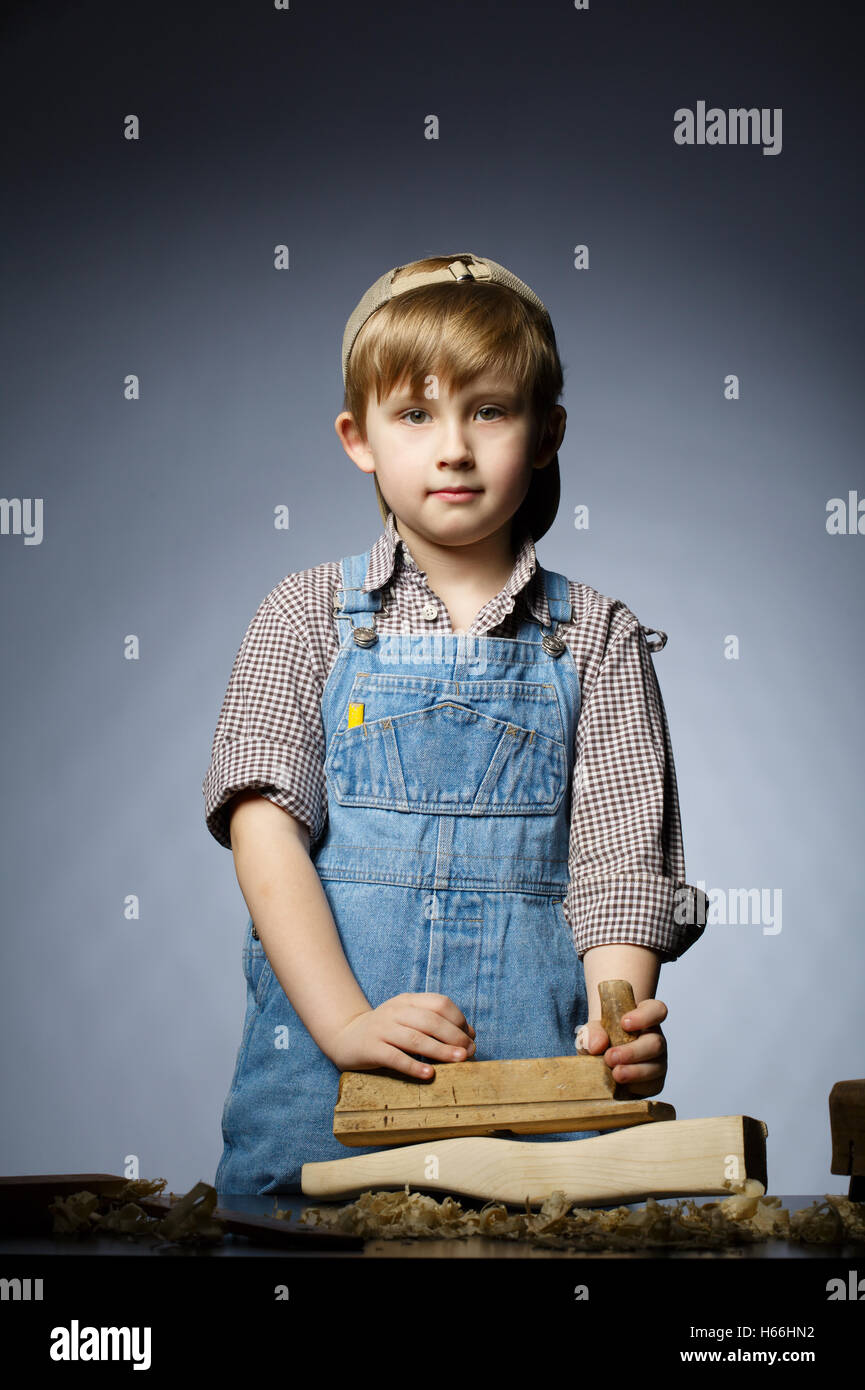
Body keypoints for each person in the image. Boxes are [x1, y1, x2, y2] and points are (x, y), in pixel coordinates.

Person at [203, 251, 707, 1195]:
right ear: (359, 437)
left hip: (539, 1111)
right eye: (414, 414)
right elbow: (262, 828)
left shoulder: (598, 637)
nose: (452, 448)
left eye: (488, 410)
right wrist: (347, 1023)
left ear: (546, 432)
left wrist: (618, 1028)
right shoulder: (303, 615)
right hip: (325, 1095)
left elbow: (619, 865)